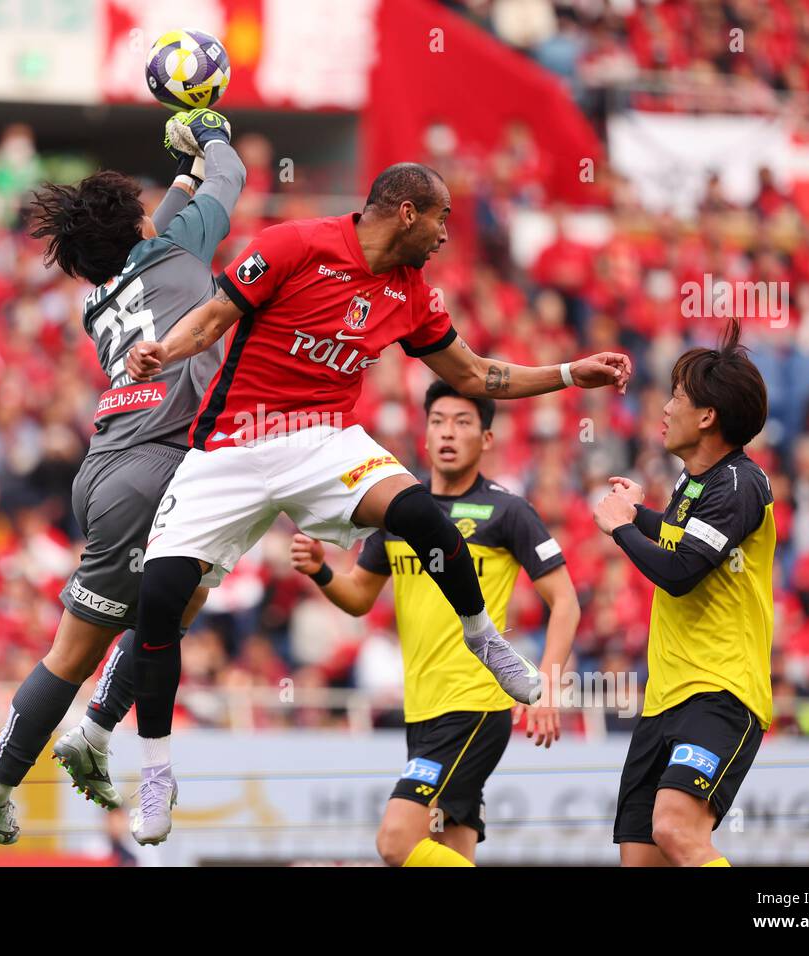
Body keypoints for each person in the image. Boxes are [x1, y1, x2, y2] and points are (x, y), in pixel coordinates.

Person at [121, 161, 632, 844]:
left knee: (418, 510)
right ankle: (155, 770)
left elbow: (477, 374)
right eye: (443, 218)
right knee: (158, 600)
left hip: (322, 438)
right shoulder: (294, 244)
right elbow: (212, 320)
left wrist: (571, 374)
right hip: (233, 444)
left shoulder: (412, 293)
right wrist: (161, 350)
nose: (448, 235)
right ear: (408, 213)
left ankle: (483, 637)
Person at [0, 109, 246, 843]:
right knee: (86, 648)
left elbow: (163, 217)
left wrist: (182, 164)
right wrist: (210, 133)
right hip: (159, 466)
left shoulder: (99, 294)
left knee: (178, 603)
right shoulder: (179, 254)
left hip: (112, 466)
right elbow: (232, 175)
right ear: (141, 229)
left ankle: (80, 736)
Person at [592, 317, 773, 867]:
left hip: (719, 693)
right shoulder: (692, 481)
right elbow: (682, 542)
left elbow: (681, 570)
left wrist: (620, 527)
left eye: (676, 397)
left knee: (675, 829)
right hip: (663, 700)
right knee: (640, 858)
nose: (665, 409)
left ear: (708, 415)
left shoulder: (740, 484)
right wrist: (640, 514)